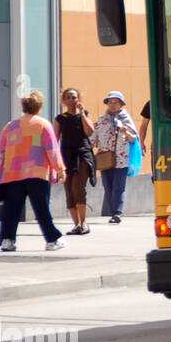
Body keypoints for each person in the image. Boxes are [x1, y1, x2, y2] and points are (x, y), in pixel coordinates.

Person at [0, 90, 67, 252]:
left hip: (13, 172)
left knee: (11, 208)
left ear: (23, 107)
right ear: (40, 107)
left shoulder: (10, 126)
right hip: (37, 172)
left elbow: (1, 150)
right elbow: (52, 150)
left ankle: (7, 240)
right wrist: (60, 169)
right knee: (41, 208)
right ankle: (52, 240)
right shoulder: (43, 125)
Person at [92, 90, 139, 223]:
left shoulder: (126, 120)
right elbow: (93, 138)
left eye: (115, 102)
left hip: (121, 159)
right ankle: (112, 211)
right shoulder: (101, 121)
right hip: (105, 158)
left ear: (121, 104)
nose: (112, 105)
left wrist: (126, 132)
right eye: (110, 102)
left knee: (119, 185)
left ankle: (117, 212)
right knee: (108, 186)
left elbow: (133, 139)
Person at [54, 87, 95, 234]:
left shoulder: (85, 114)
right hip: (66, 156)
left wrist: (82, 113)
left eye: (74, 97)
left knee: (78, 188)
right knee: (69, 191)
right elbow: (54, 140)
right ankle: (76, 224)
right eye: (68, 97)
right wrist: (54, 162)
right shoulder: (60, 119)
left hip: (83, 155)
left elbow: (90, 131)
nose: (71, 100)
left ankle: (84, 223)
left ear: (79, 99)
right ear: (63, 100)